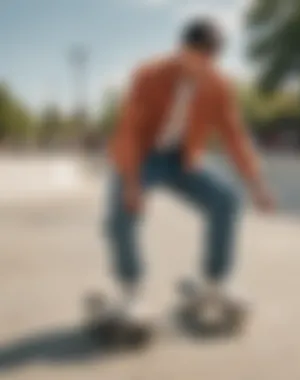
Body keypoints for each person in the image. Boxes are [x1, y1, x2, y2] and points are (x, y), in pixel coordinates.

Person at [106, 17, 275, 325]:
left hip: (183, 159)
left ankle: (214, 282)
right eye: (198, 59)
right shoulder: (148, 75)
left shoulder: (219, 85)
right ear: (182, 50)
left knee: (227, 199)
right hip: (143, 157)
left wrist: (257, 185)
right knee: (121, 209)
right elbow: (128, 130)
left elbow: (234, 135)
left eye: (211, 61)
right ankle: (131, 289)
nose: (203, 69)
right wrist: (131, 184)